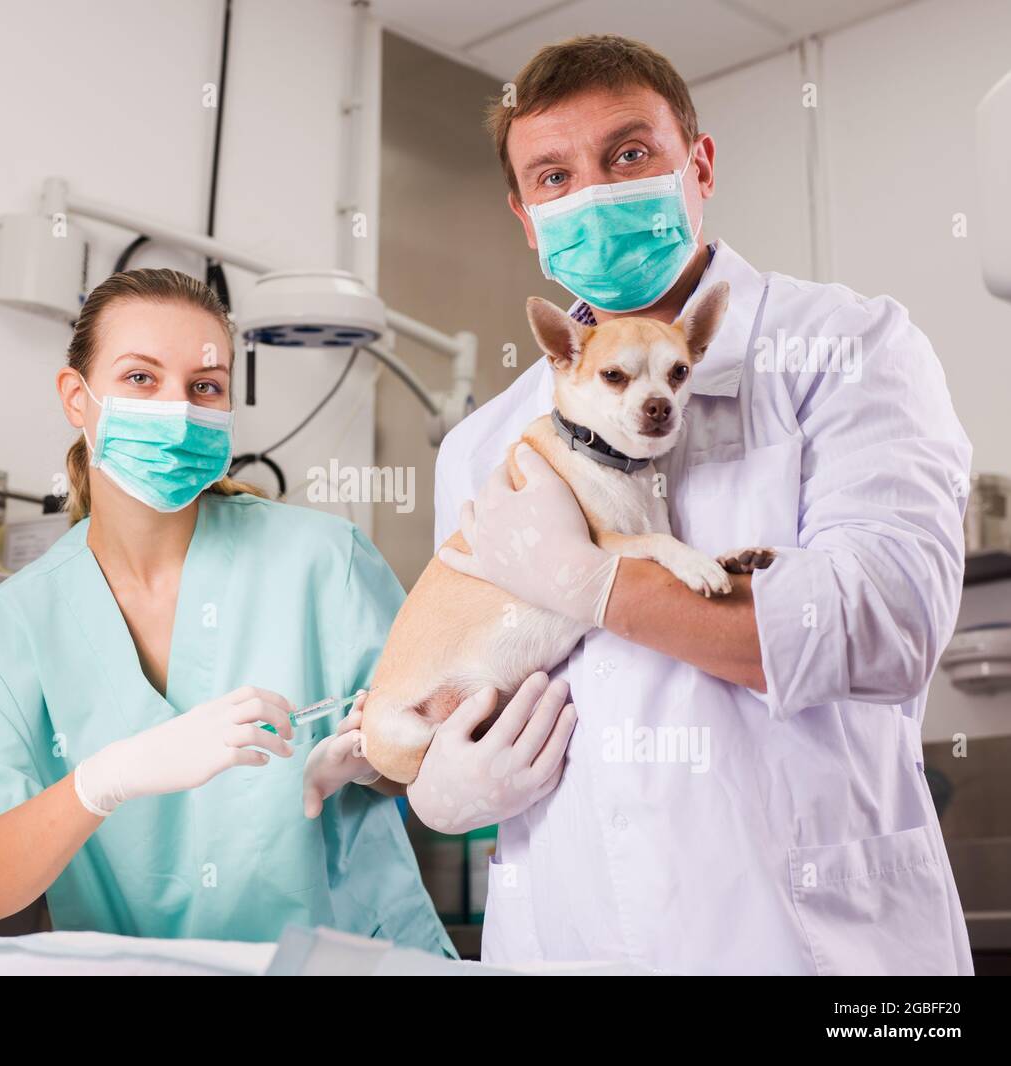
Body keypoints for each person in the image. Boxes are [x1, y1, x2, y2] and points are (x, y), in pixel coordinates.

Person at [416, 34, 973, 975]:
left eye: (628, 155)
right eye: (553, 177)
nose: (591, 194)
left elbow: (885, 622)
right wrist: (442, 782)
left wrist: (594, 583)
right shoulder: (485, 442)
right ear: (527, 218)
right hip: (566, 934)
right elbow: (469, 663)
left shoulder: (846, 346)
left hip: (809, 943)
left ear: (698, 164)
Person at [0, 267, 451, 952]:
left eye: (204, 387)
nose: (177, 407)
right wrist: (104, 780)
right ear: (76, 398)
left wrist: (374, 759)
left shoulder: (323, 562)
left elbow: (432, 754)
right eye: (141, 379)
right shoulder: (6, 632)